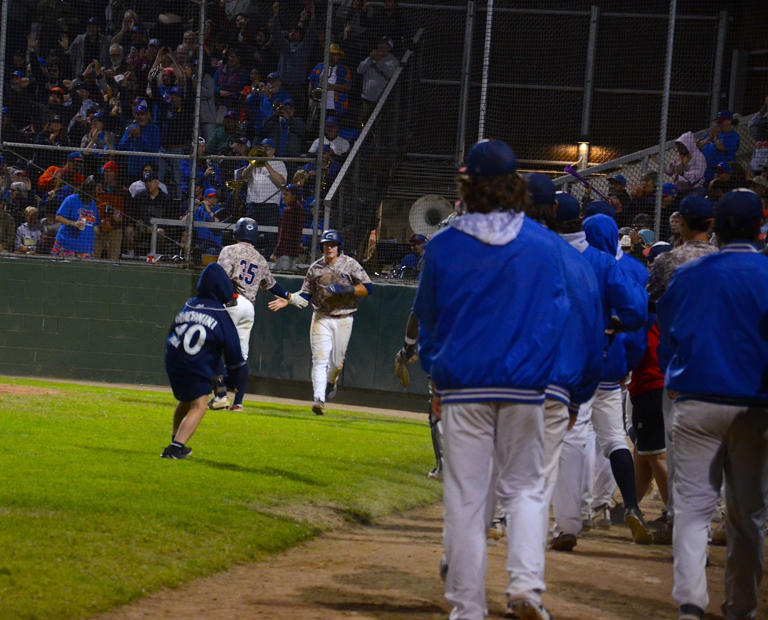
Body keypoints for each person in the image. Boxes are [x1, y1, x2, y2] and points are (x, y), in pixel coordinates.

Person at [412, 139, 572, 620]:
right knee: (525, 488)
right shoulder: (546, 245)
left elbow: (429, 320)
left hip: (464, 386)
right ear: (515, 186)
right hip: (525, 386)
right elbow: (559, 317)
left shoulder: (443, 245)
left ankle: (467, 607)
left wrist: (437, 372)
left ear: (467, 185)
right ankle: (525, 588)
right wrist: (537, 368)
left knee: (466, 495)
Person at [657, 189, 768, 620]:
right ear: (760, 228)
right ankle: (741, 607)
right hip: (756, 408)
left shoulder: (690, 274)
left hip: (697, 400)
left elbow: (669, 334)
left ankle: (690, 603)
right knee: (748, 514)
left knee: (692, 508)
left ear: (717, 227)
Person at [268, 229, 371, 415]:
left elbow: (368, 288)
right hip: (321, 317)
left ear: (339, 246)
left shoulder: (350, 264)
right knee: (319, 359)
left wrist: (346, 289)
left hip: (344, 317)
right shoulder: (315, 267)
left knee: (337, 364)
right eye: (326, 244)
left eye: (332, 244)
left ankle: (331, 382)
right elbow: (306, 294)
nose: (329, 247)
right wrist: (289, 299)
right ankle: (318, 399)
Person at [161, 263, 247, 459]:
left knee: (186, 400)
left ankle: (176, 437)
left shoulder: (189, 304)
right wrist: (233, 382)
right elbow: (235, 357)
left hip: (173, 359)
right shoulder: (220, 314)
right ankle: (175, 448)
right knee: (199, 405)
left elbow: (172, 332)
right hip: (195, 362)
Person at [215, 217, 300, 411]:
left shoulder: (229, 250)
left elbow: (220, 278)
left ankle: (220, 396)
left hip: (232, 302)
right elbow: (272, 286)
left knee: (214, 349)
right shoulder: (260, 259)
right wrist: (289, 296)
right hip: (248, 308)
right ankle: (238, 403)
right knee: (241, 356)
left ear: (237, 232)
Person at [234, 137, 287, 227]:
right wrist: (252, 164)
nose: (264, 150)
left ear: (273, 150)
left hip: (270, 206)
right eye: (262, 148)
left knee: (270, 236)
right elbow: (244, 177)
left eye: (267, 148)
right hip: (253, 205)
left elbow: (281, 182)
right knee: (250, 233)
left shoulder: (279, 162)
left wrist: (266, 163)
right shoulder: (254, 161)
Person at [51, 175, 100, 258]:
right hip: (67, 245)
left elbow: (94, 225)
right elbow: (58, 217)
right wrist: (74, 223)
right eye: (91, 193)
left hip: (86, 248)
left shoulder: (93, 204)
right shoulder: (71, 200)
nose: (92, 197)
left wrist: (99, 234)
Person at [357, 36, 398, 125]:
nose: (381, 47)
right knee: (362, 124)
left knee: (376, 125)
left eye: (384, 45)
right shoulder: (371, 57)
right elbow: (359, 70)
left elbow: (390, 74)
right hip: (366, 99)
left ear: (389, 48)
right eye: (380, 44)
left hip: (380, 101)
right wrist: (370, 58)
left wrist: (378, 61)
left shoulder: (393, 61)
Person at [697, 110, 740, 184]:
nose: (718, 124)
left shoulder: (733, 136)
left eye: (721, 122)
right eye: (717, 122)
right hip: (706, 173)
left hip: (721, 175)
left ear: (729, 121)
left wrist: (715, 136)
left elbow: (720, 147)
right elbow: (698, 146)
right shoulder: (712, 135)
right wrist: (709, 138)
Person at [271, 184, 305, 270]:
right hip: (294, 252)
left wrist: (276, 253)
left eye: (286, 195)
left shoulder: (289, 211)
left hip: (285, 252)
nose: (283, 197)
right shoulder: (300, 208)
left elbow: (284, 234)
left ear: (294, 196)